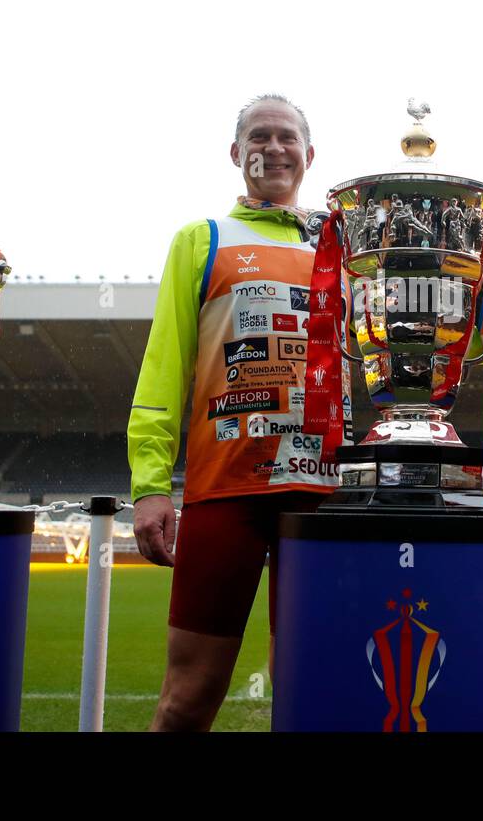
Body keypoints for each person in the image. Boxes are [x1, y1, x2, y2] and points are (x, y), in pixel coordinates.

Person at [128, 94, 346, 730]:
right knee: (188, 697)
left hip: (322, 494)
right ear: (235, 153)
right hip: (225, 490)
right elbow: (164, 368)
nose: (273, 148)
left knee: (309, 693)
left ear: (309, 155)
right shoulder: (203, 239)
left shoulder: (341, 247)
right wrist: (149, 485)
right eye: (259, 136)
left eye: (287, 138)